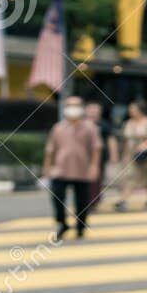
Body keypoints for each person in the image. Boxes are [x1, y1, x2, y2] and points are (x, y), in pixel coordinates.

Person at [42, 96, 102, 242]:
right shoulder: (58, 128)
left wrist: (94, 167)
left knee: (82, 200)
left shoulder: (90, 127)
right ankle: (62, 223)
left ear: (81, 108)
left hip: (82, 170)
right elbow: (50, 150)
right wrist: (47, 167)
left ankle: (81, 226)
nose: (72, 108)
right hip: (61, 170)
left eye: (75, 105)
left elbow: (96, 149)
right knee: (57, 197)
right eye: (69, 105)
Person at [117, 100, 147, 211]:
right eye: (130, 109)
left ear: (141, 110)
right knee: (130, 176)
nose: (131, 111)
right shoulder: (128, 123)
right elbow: (124, 139)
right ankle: (123, 200)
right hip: (131, 153)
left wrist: (145, 145)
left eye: (133, 109)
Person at [86, 101, 119, 210]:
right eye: (91, 110)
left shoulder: (104, 125)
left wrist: (114, 155)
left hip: (100, 157)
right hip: (83, 157)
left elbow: (111, 139)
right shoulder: (81, 124)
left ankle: (94, 201)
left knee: (96, 179)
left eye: (95, 111)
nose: (93, 113)